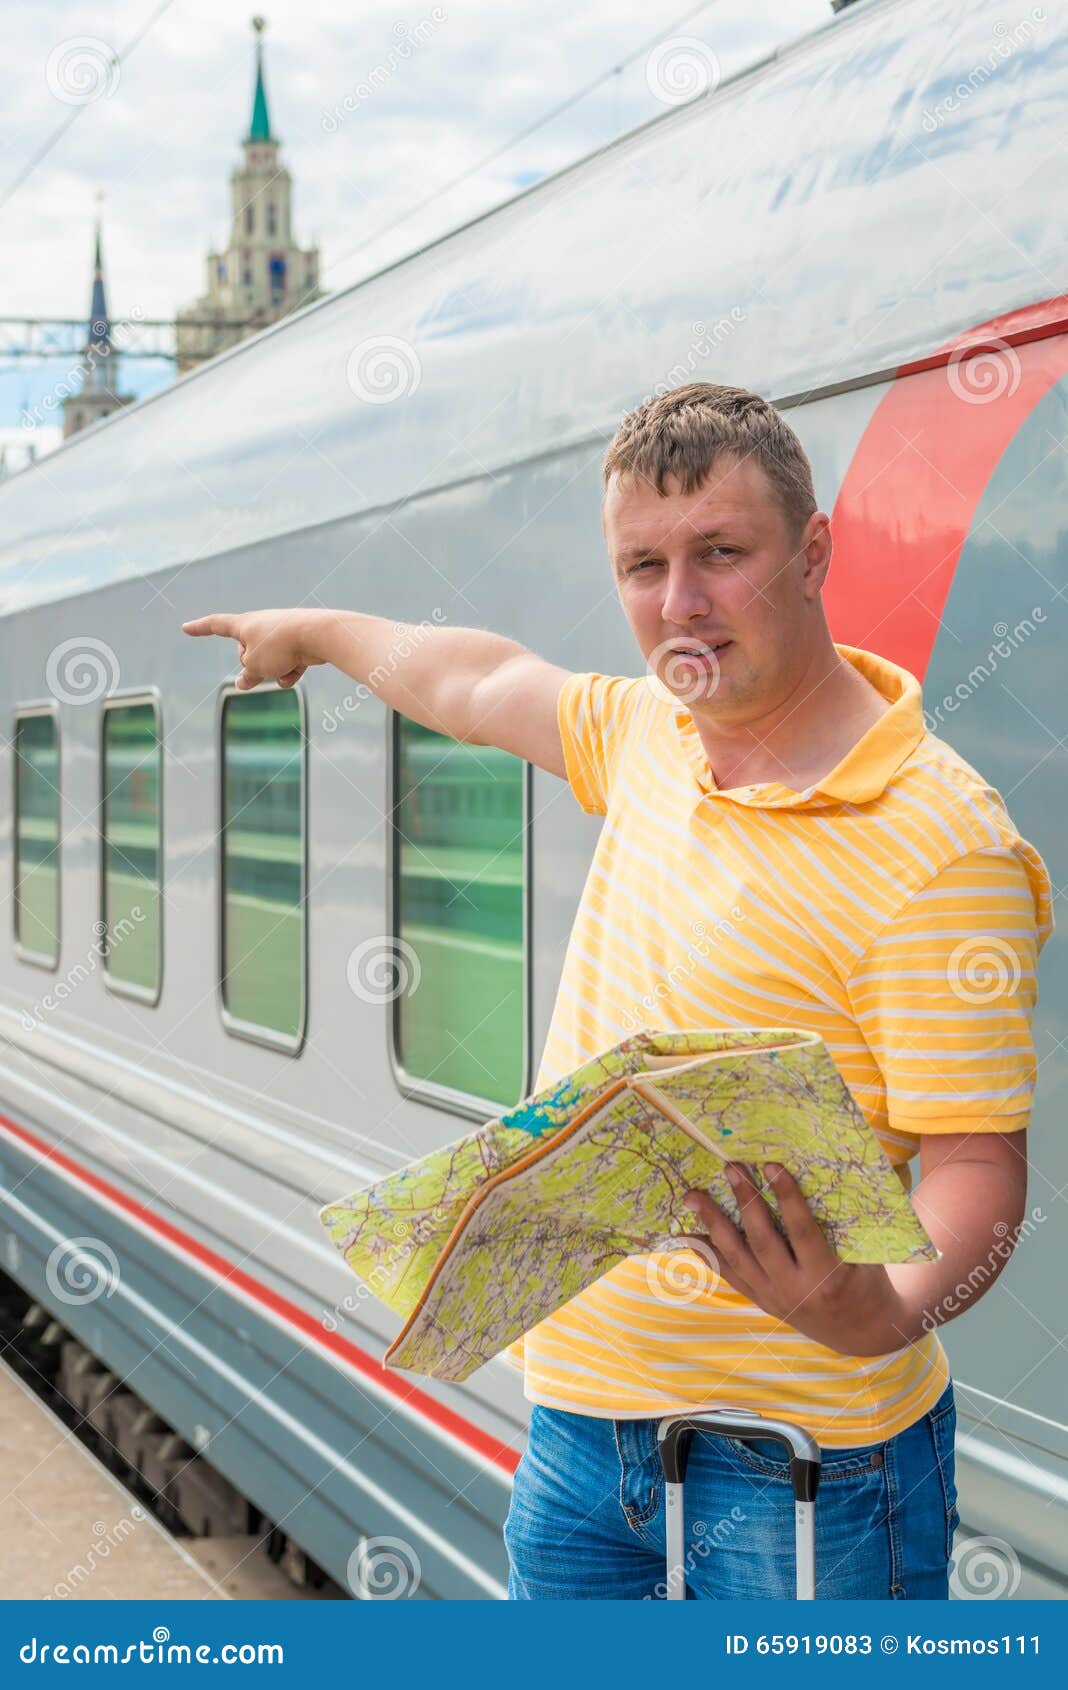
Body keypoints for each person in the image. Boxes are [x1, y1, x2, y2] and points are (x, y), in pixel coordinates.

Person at [182, 381, 1053, 1600]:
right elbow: (478, 682)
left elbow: (980, 1167)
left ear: (813, 553)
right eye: (643, 565)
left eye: (721, 555)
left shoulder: (943, 844)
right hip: (581, 1437)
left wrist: (881, 1311)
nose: (679, 604)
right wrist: (321, 630)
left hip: (808, 1470)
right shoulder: (652, 734)